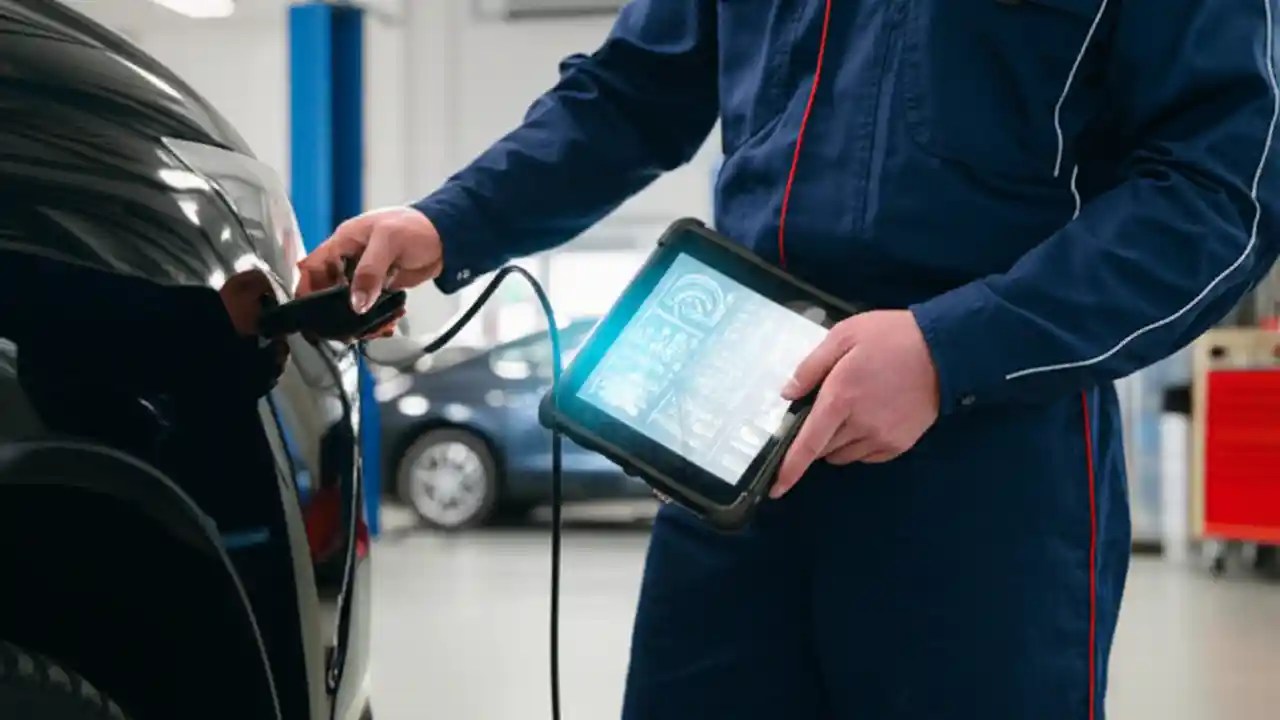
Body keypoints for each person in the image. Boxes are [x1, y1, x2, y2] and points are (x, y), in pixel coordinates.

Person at [297, 2, 1280, 718]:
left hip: (983, 469)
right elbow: (631, 96)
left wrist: (953, 349)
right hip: (733, 433)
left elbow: (1213, 193)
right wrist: (444, 222)